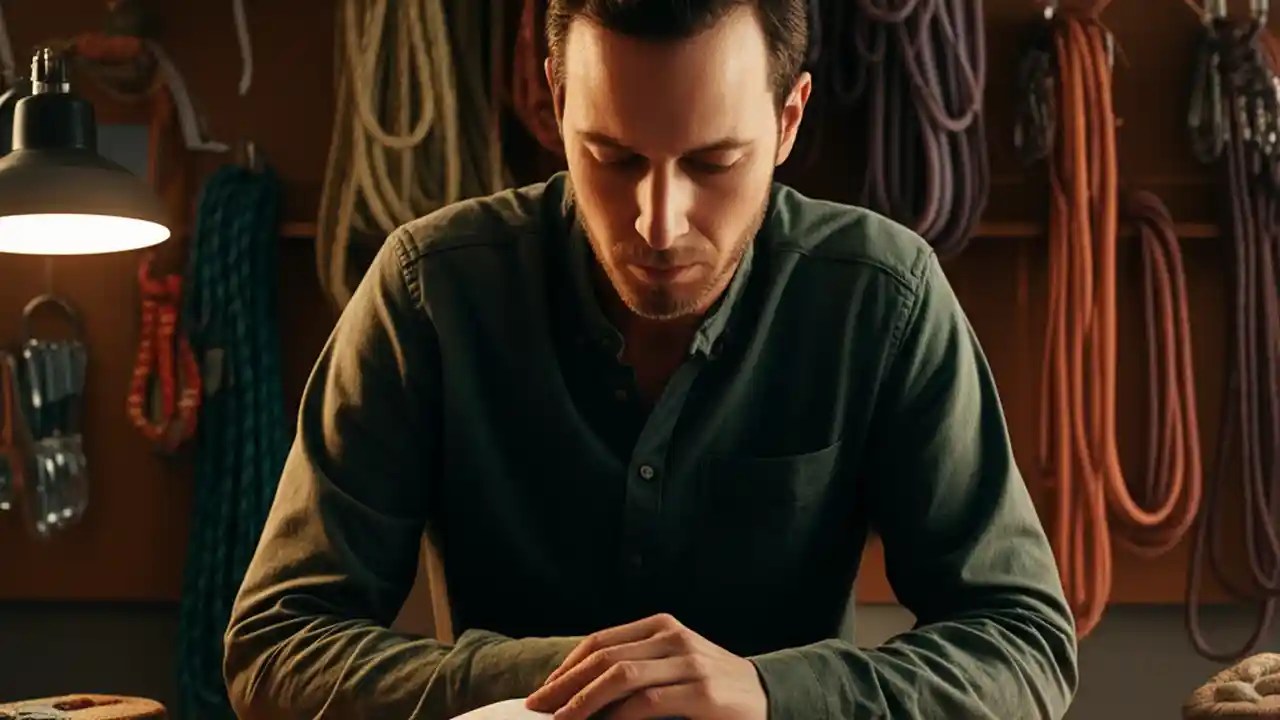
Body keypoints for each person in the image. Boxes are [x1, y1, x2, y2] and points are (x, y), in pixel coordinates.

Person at [222, 0, 1079, 718]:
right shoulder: (429, 291)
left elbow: (1023, 641)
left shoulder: (883, 297)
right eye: (614, 157)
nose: (658, 225)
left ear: (789, 120)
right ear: (557, 99)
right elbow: (277, 645)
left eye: (714, 162)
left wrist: (771, 695)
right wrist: (568, 680)